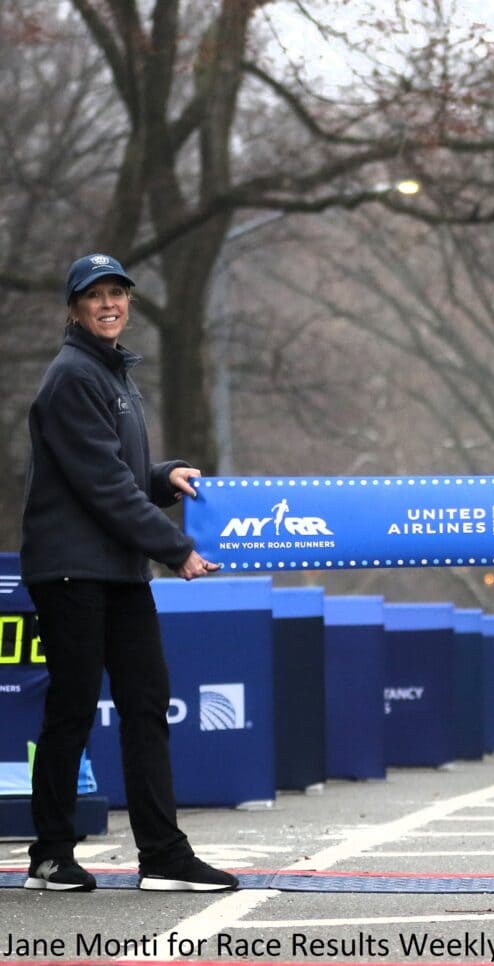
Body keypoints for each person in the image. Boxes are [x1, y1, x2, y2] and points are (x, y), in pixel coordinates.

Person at [22, 254, 237, 893]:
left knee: (146, 703)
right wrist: (174, 548)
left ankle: (163, 856)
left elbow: (115, 475)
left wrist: (161, 476)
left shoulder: (112, 375)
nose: (109, 304)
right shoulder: (72, 377)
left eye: (118, 293)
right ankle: (51, 855)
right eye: (96, 296)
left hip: (116, 568)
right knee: (73, 708)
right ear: (75, 308)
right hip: (71, 570)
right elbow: (101, 487)